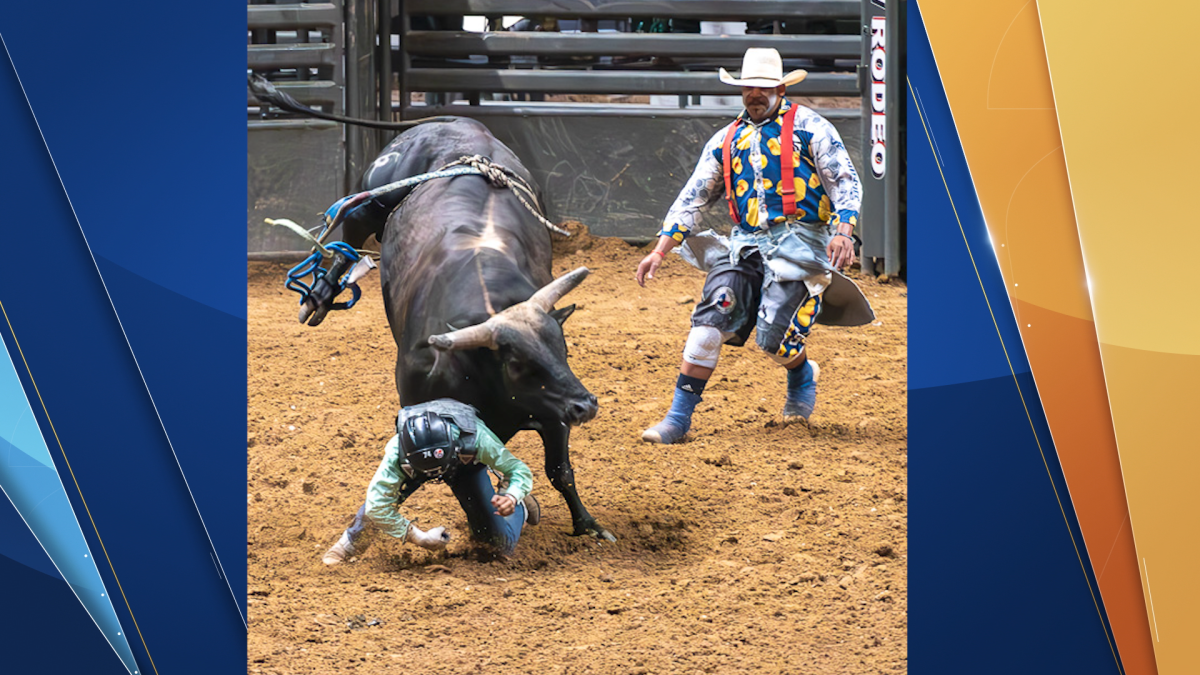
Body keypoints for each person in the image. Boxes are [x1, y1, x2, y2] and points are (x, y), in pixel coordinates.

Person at [635, 47, 872, 444]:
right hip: (744, 247)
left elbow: (844, 180)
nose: (755, 94)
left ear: (781, 88)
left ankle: (801, 372)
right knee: (709, 322)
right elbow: (694, 196)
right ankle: (677, 419)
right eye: (749, 87)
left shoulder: (811, 128)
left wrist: (843, 231)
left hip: (801, 245)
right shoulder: (726, 140)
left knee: (775, 339)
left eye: (763, 87)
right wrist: (660, 249)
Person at [322, 399, 539, 564]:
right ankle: (348, 543)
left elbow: (517, 469)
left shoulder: (475, 438)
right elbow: (377, 504)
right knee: (382, 498)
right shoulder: (398, 451)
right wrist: (420, 538)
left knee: (499, 547)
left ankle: (520, 507)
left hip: (462, 467)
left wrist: (512, 495)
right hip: (415, 467)